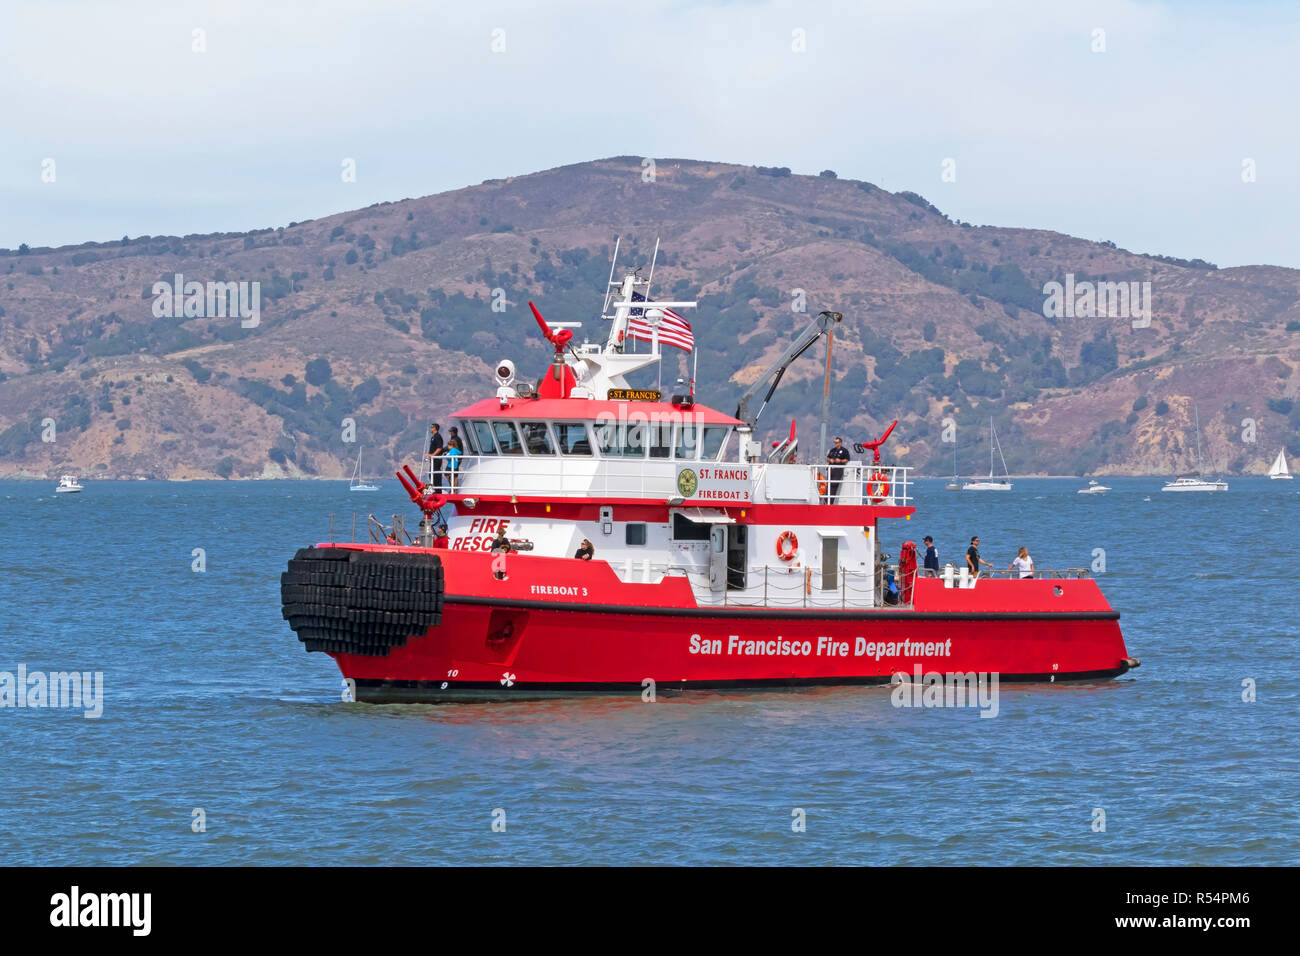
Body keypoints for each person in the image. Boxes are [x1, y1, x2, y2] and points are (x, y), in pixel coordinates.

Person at [825, 436, 850, 502]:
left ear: (840, 443)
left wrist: (840, 461)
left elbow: (847, 460)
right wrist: (830, 460)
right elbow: (827, 458)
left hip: (838, 470)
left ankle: (830, 502)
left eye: (837, 442)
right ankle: (825, 501)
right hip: (831, 469)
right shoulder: (832, 450)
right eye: (835, 442)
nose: (835, 444)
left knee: (834, 485)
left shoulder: (845, 451)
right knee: (828, 484)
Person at [425, 423, 445, 492]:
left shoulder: (438, 437)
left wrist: (433, 455)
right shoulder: (433, 437)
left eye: (432, 427)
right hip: (433, 459)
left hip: (437, 459)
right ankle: (435, 488)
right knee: (432, 474)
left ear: (435, 428)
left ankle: (438, 490)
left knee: (435, 474)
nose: (431, 429)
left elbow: (439, 448)